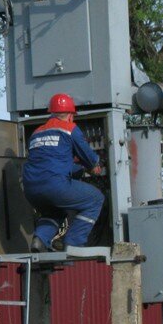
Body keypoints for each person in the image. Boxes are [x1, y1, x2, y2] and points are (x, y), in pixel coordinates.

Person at [22, 93, 104, 251]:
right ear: (70, 115)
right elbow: (91, 159)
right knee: (96, 199)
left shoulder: (37, 132)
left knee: (55, 211)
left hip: (31, 189)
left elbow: (51, 162)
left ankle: (40, 240)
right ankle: (73, 243)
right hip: (55, 186)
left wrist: (78, 169)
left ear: (51, 113)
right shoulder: (70, 129)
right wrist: (94, 167)